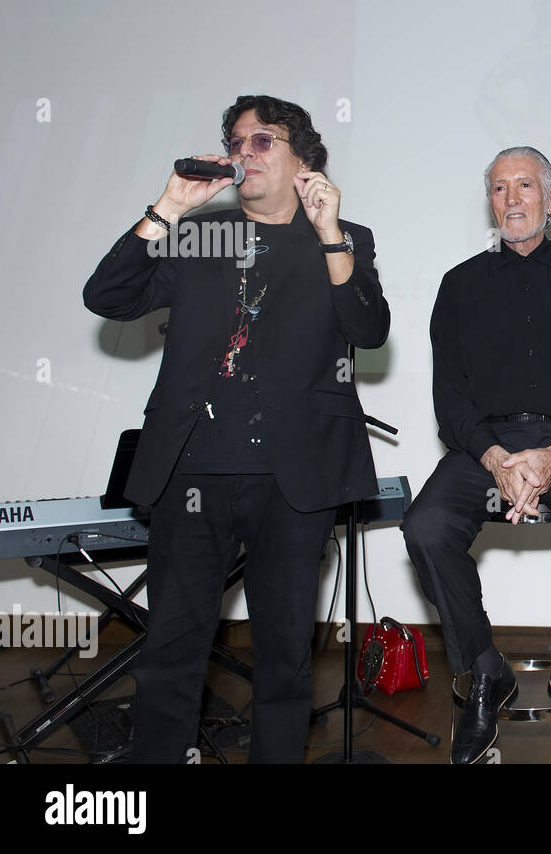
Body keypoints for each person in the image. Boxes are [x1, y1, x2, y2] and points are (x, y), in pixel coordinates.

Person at [83, 95, 390, 762]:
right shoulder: (200, 234)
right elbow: (106, 297)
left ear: (303, 161)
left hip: (292, 478)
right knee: (171, 652)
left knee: (283, 658)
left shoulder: (342, 237)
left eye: (263, 141)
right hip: (191, 472)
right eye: (237, 141)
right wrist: (166, 208)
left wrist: (331, 232)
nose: (244, 152)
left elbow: (369, 329)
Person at [401, 146, 551, 764]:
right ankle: (485, 670)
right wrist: (498, 459)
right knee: (424, 524)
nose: (512, 198)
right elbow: (448, 398)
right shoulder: (458, 285)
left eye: (526, 185)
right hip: (484, 447)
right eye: (500, 187)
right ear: (490, 203)